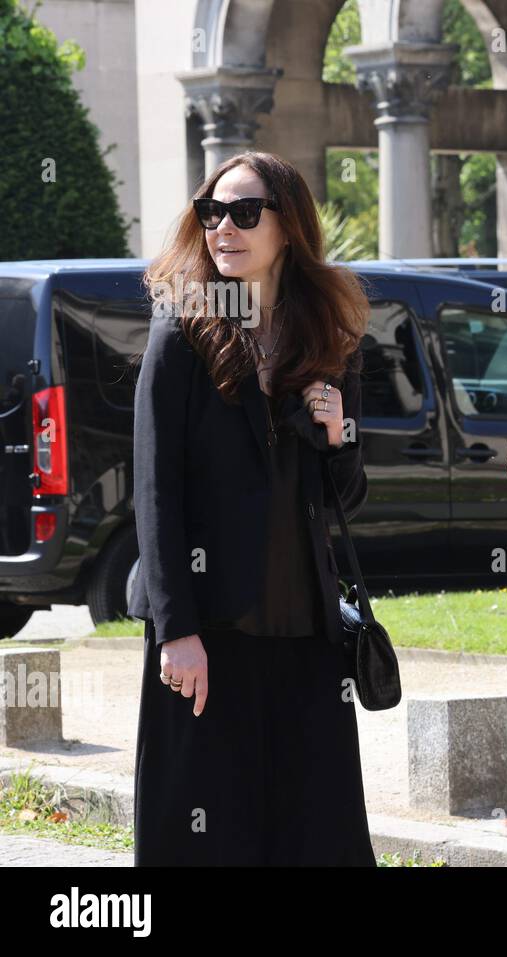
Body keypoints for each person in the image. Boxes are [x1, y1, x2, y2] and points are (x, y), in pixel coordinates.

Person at [130, 151, 374, 866]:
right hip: (208, 631)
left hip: (305, 634)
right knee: (207, 832)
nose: (222, 228)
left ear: (288, 226)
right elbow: (156, 489)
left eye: (243, 212)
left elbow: (345, 498)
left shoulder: (328, 335)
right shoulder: (183, 329)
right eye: (212, 212)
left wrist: (340, 435)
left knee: (315, 831)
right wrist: (176, 631)